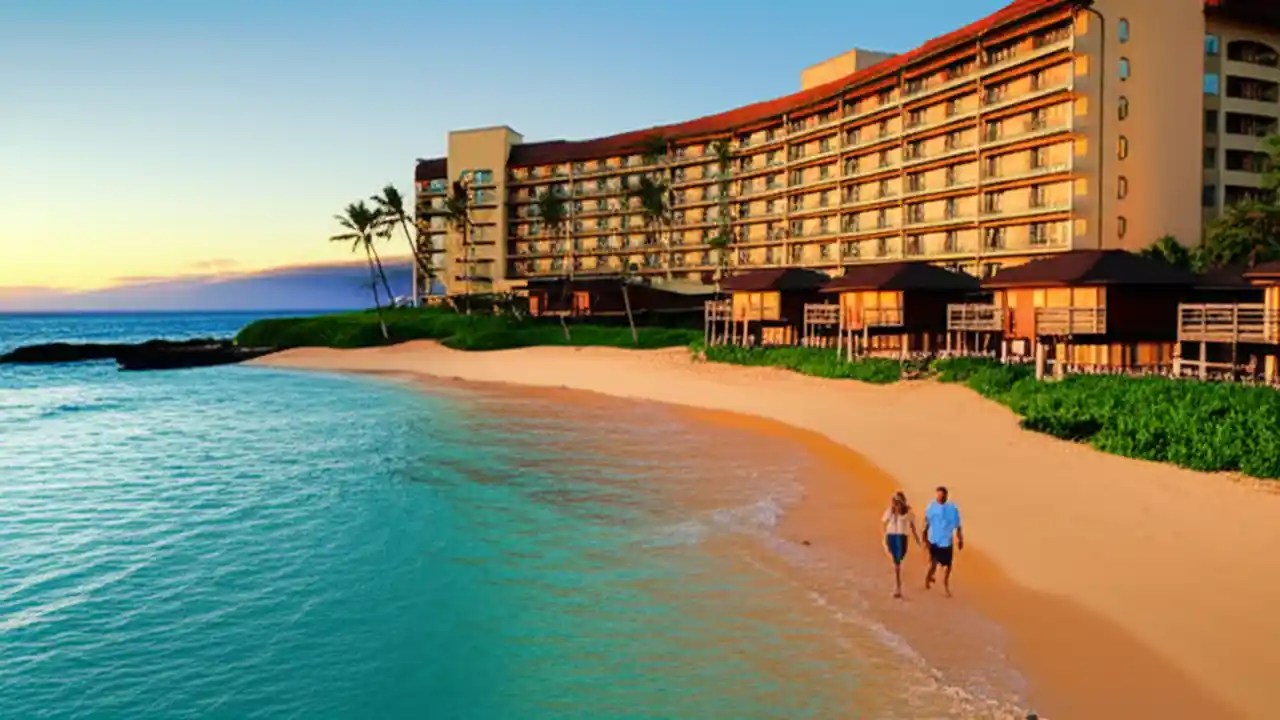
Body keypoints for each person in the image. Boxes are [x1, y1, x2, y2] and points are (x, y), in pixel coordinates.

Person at [922, 485, 963, 597]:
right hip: (934, 540)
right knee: (933, 563)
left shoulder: (952, 508)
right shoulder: (932, 507)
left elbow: (958, 525)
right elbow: (926, 522)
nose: (940, 497)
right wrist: (924, 537)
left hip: (947, 541)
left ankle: (945, 584)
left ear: (946, 496)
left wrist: (960, 539)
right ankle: (927, 579)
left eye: (942, 495)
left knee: (948, 565)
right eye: (938, 495)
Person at [881, 491, 922, 599]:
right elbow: (884, 524)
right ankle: (898, 586)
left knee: (900, 558)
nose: (896, 505)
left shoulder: (908, 513)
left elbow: (913, 527)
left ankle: (897, 582)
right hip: (892, 536)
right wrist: (884, 538)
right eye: (895, 502)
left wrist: (918, 541)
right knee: (897, 561)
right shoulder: (890, 512)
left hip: (902, 537)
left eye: (898, 503)